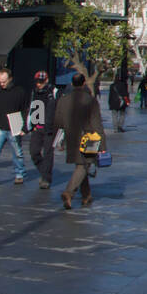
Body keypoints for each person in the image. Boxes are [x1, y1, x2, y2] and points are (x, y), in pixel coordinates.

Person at [54, 72, 106, 210]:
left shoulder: (63, 100)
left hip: (71, 136)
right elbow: (97, 123)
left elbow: (58, 121)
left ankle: (86, 195)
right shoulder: (90, 100)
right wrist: (103, 144)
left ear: (72, 83)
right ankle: (69, 192)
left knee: (82, 165)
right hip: (89, 137)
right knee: (84, 165)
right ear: (83, 83)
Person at [27, 71, 59, 189]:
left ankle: (46, 178)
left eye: (41, 82)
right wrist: (29, 125)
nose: (39, 84)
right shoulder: (34, 92)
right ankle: (44, 172)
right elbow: (31, 108)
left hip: (50, 128)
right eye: (37, 82)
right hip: (37, 127)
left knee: (48, 154)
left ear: (46, 80)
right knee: (34, 152)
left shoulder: (54, 92)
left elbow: (59, 109)